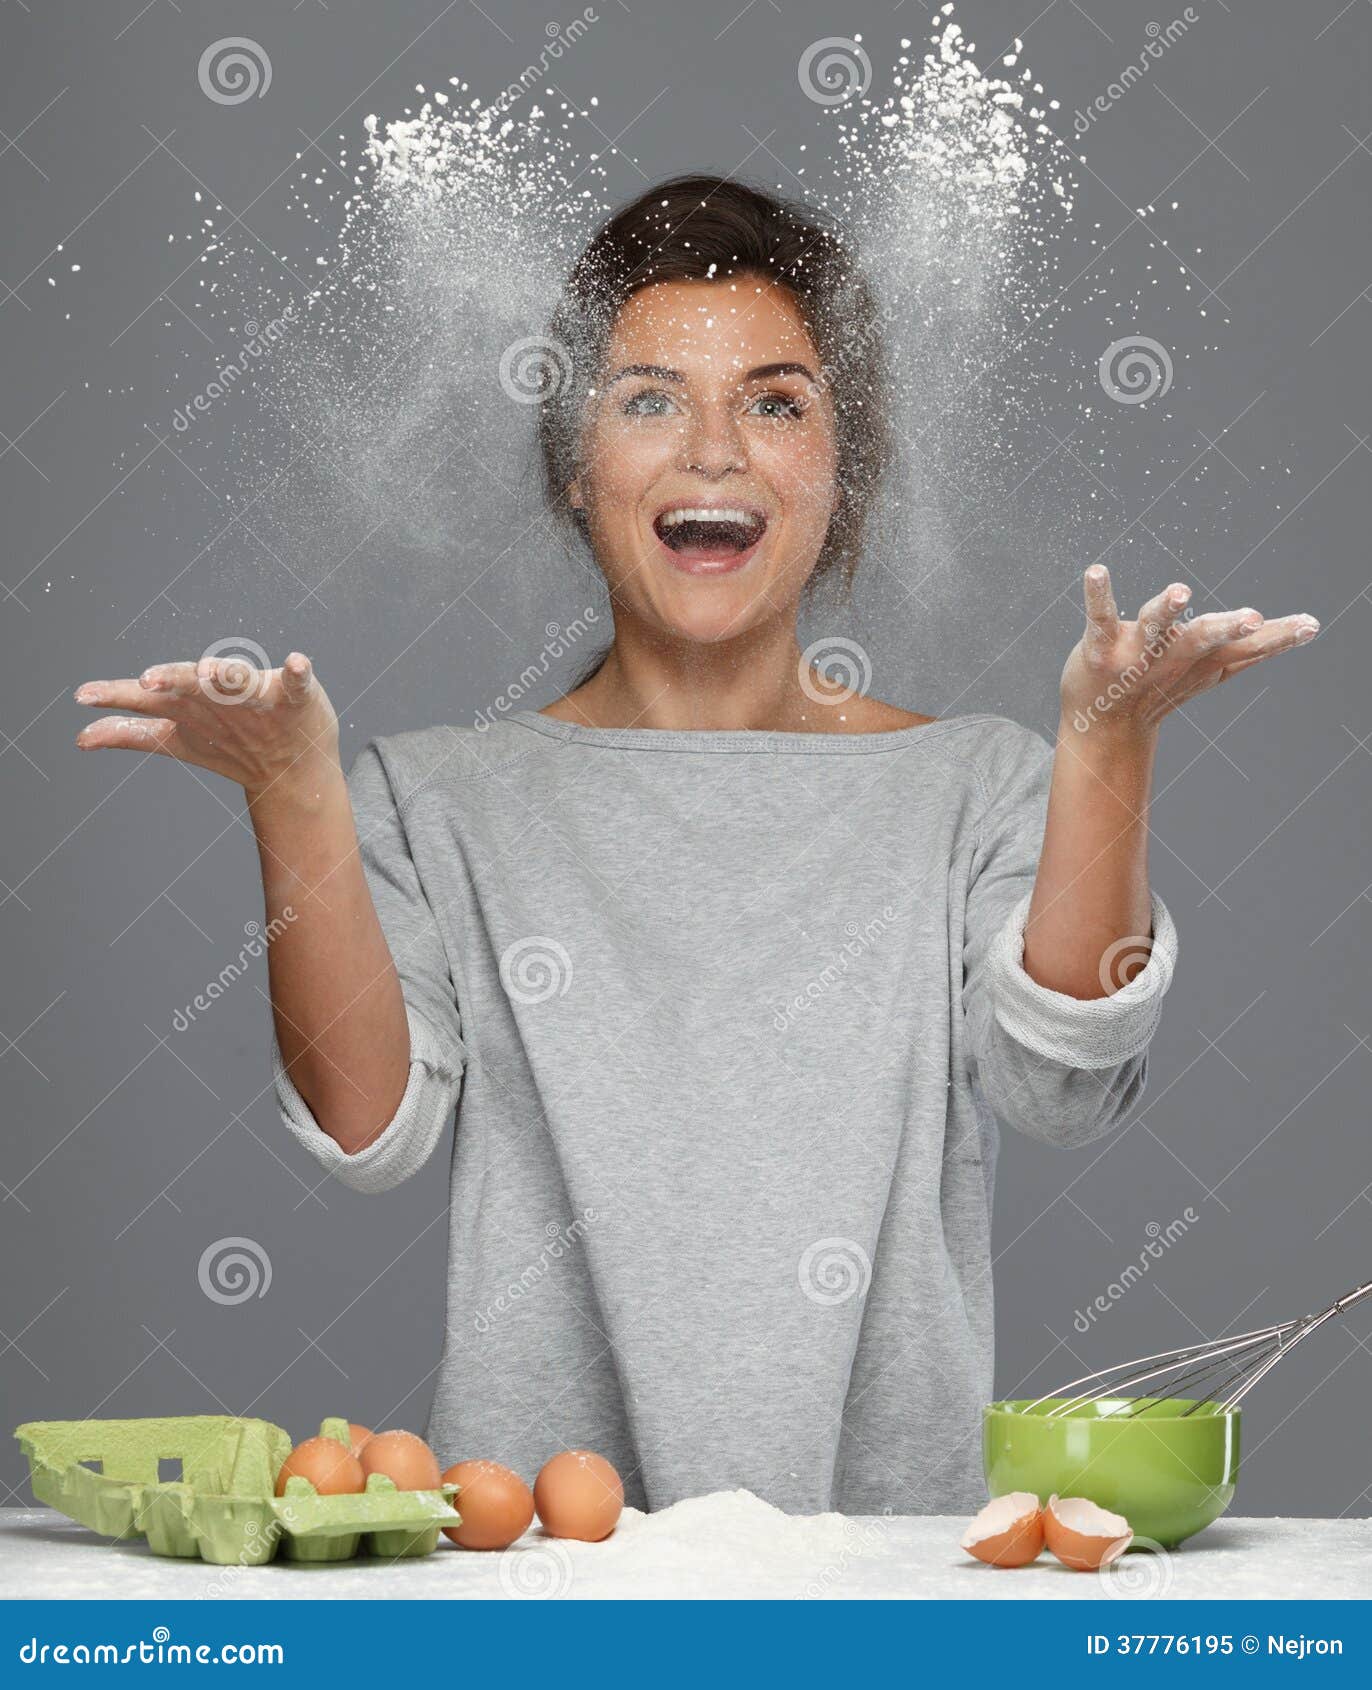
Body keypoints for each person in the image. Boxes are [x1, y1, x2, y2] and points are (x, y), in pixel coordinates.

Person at [75, 175, 1318, 1514]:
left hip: (883, 1603)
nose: (714, 450)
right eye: (650, 398)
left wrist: (1108, 751)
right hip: (543, 1592)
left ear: (842, 470)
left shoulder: (976, 787)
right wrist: (293, 794)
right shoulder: (441, 800)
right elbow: (371, 1128)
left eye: (777, 401)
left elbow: (1060, 1080)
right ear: (575, 458)